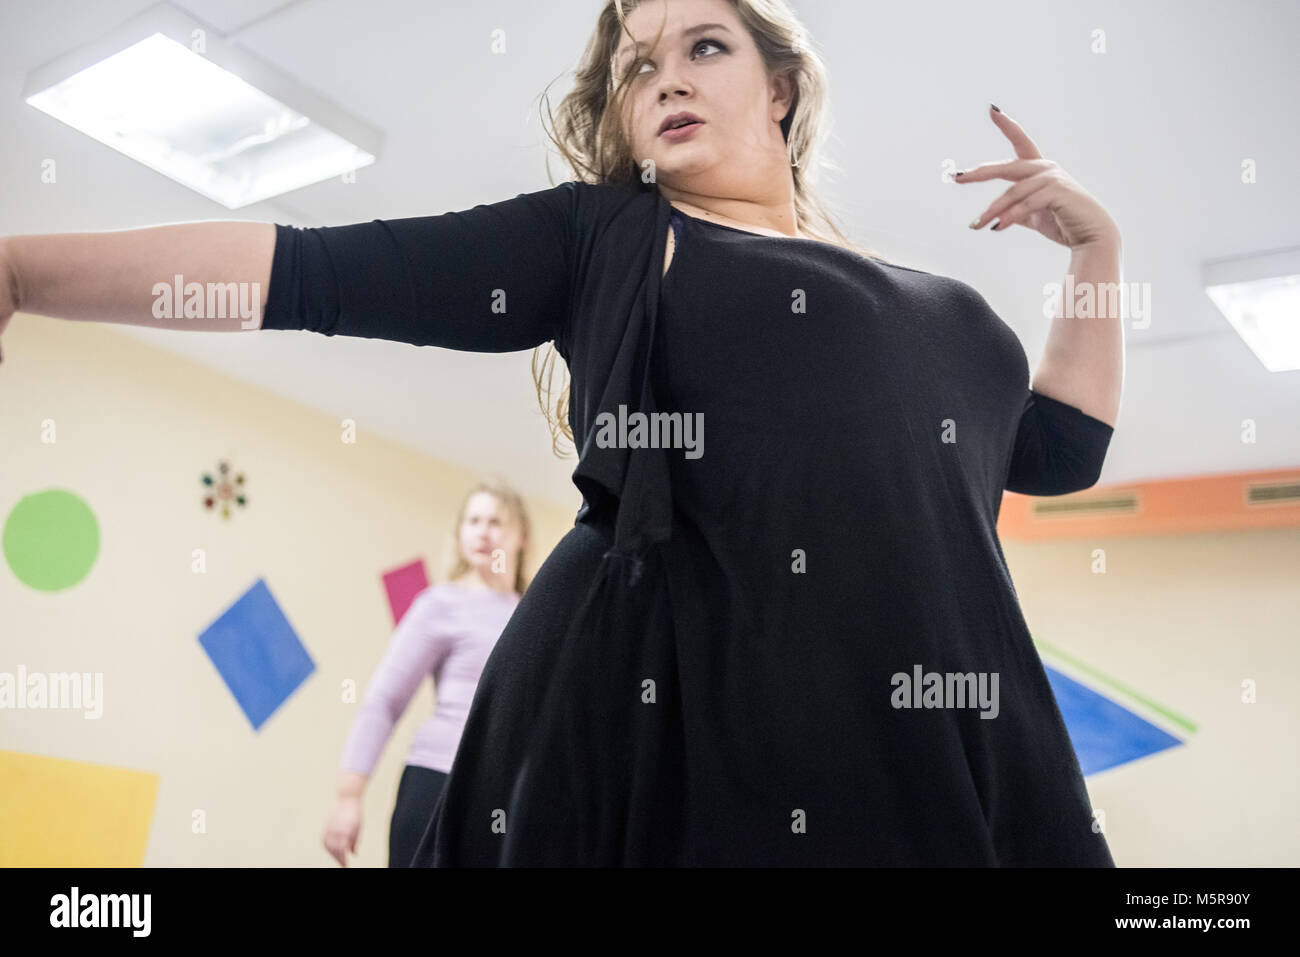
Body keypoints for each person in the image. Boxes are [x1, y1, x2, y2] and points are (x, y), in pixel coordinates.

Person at [0, 0, 1125, 865]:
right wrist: (19, 270)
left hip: (956, 748)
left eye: (703, 48)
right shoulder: (614, 241)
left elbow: (1058, 451)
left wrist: (1097, 256)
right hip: (714, 756)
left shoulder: (950, 311)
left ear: (781, 85)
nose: (666, 77)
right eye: (639, 66)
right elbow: (313, 271)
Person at [321, 480, 529, 867]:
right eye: (473, 520)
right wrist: (349, 796)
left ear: (521, 537)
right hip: (437, 782)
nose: (483, 530)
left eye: (496, 521)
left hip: (506, 801)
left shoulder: (534, 614)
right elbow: (385, 701)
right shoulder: (440, 603)